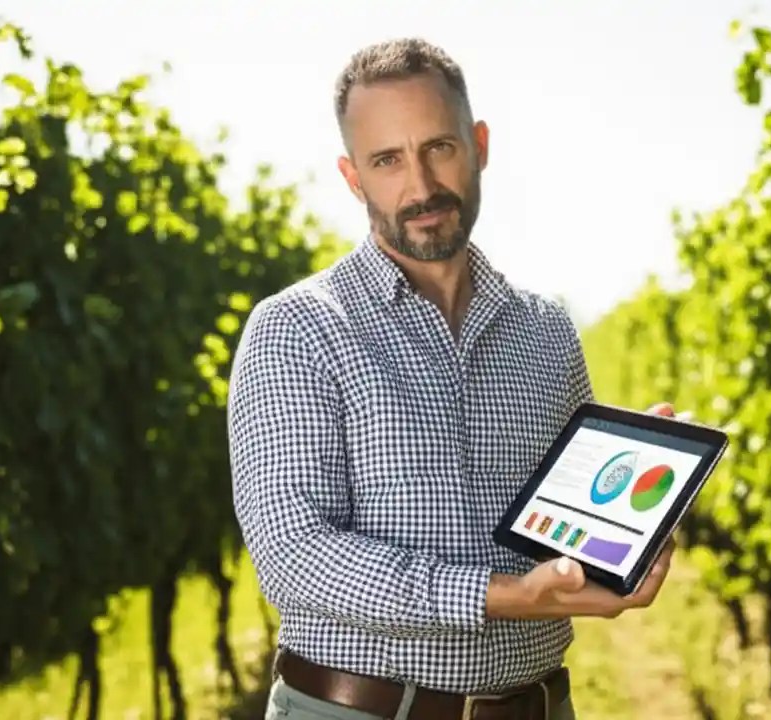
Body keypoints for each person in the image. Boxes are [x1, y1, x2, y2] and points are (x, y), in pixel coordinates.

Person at [227, 37, 677, 720]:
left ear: (479, 145)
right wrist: (501, 596)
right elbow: (297, 557)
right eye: (387, 160)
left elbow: (567, 530)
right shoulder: (297, 328)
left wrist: (636, 522)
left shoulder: (546, 331)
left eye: (439, 147)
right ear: (353, 178)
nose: (420, 186)